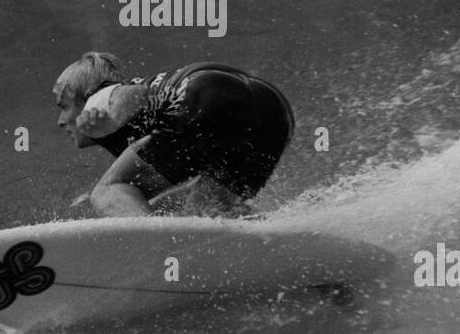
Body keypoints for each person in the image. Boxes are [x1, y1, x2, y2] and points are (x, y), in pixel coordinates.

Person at [53, 52, 295, 218]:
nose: (61, 121)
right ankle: (281, 244)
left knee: (107, 191)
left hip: (205, 94)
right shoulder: (150, 125)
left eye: (63, 106)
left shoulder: (101, 98)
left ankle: (160, 253)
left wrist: (110, 113)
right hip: (272, 112)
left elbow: (135, 94)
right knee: (208, 210)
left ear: (87, 94)